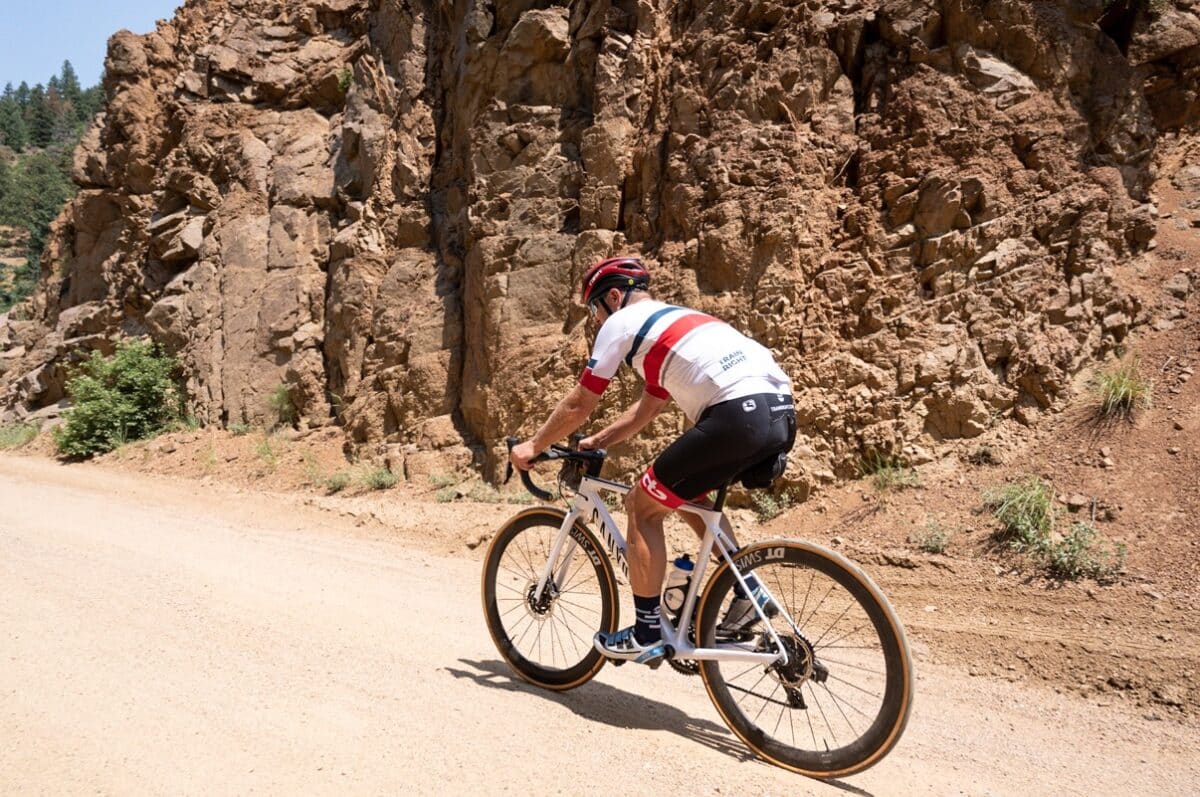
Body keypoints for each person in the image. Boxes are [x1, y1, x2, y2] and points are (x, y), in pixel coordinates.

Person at [509, 256, 796, 665]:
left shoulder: (621, 324)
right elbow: (648, 409)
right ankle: (749, 589)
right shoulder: (675, 325)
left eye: (594, 309)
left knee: (641, 507)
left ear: (613, 296)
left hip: (736, 413)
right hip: (779, 412)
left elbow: (580, 402)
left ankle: (646, 632)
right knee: (689, 495)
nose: (596, 320)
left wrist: (533, 445)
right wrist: (597, 440)